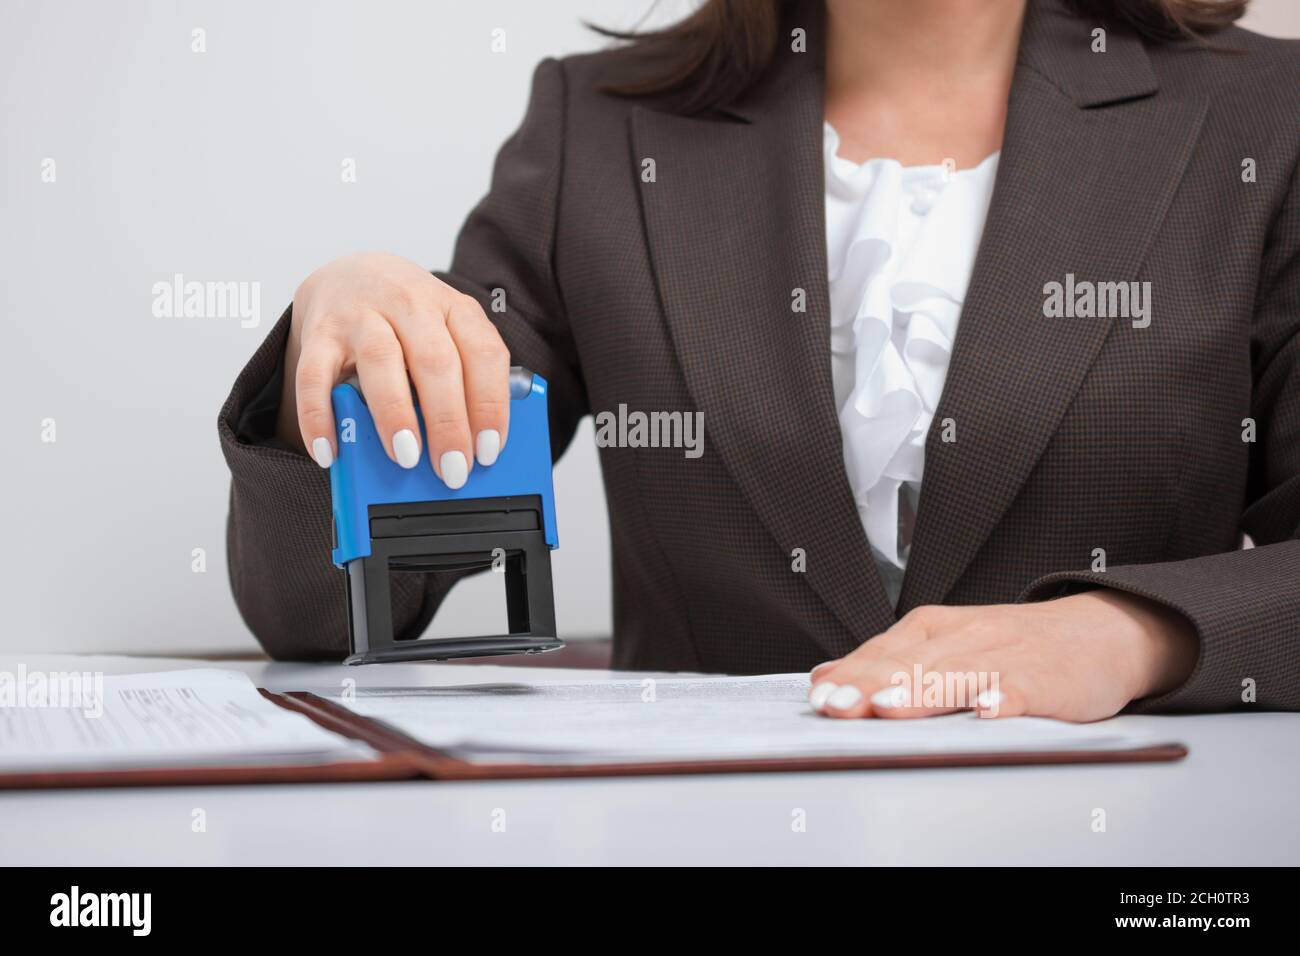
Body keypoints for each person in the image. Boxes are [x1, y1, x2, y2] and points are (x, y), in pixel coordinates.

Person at [218, 0, 1300, 721]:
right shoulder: (598, 129)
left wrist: (1130, 637)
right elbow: (325, 615)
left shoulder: (1265, 114)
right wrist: (344, 340)